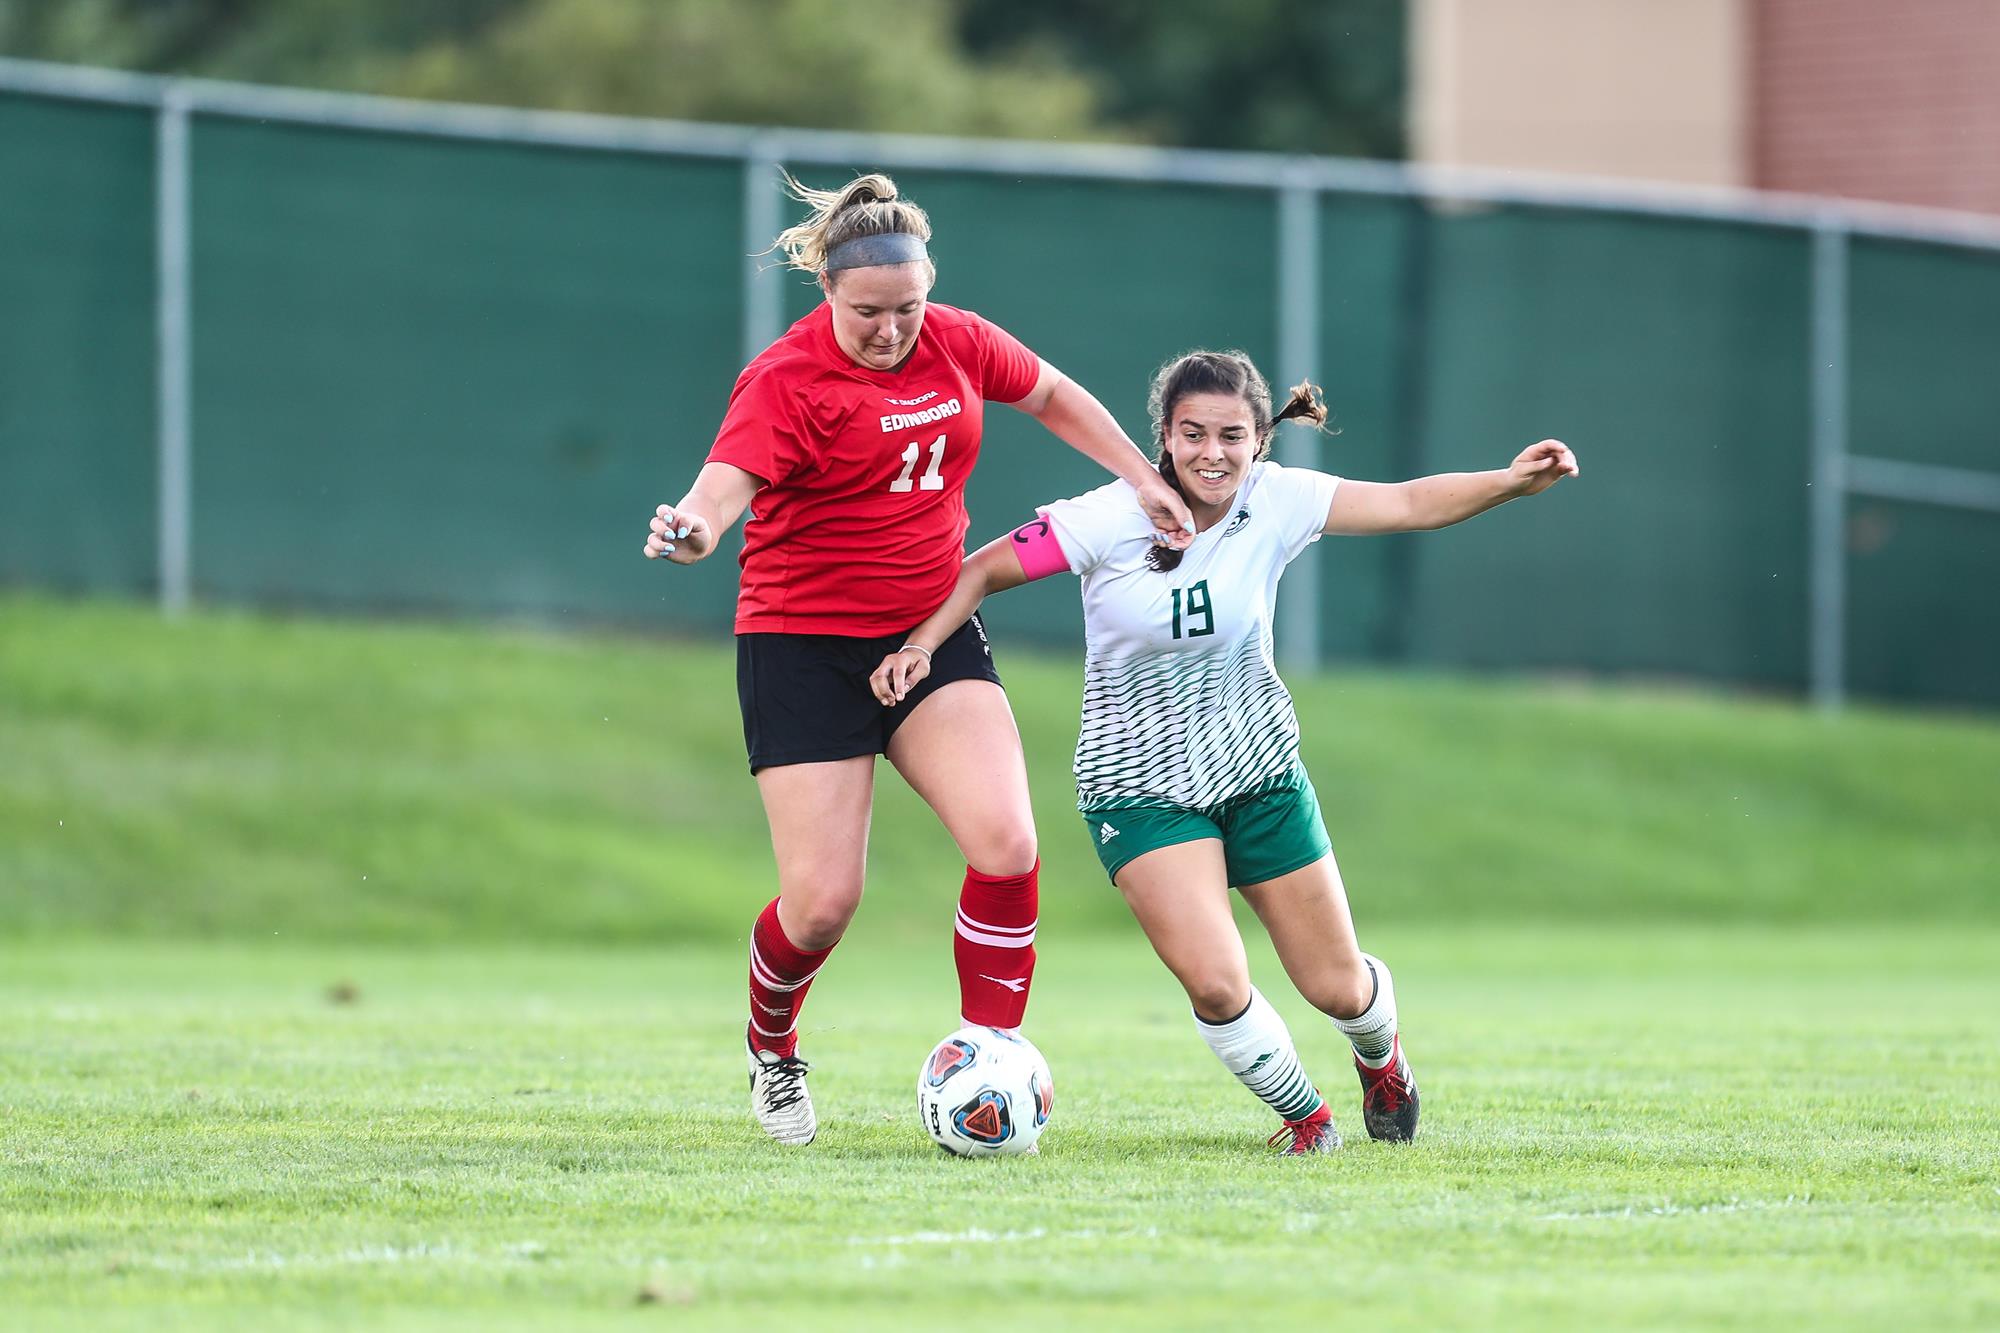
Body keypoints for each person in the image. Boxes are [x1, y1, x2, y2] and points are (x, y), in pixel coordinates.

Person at [870, 349, 1578, 1153]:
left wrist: (1510, 482)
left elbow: (1409, 502)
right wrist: (921, 644)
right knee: (1214, 980)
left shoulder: (1277, 500)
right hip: (1137, 790)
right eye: (1193, 434)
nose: (1212, 453)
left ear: (1259, 440)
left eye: (1232, 436)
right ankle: (1307, 1119)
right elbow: (982, 570)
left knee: (1337, 987)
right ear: (1165, 438)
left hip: (1258, 775)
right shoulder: (1107, 517)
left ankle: (1381, 1059)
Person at [641, 172, 1195, 1147]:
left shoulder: (956, 338)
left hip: (926, 632)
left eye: (908, 306)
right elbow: (721, 491)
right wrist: (691, 531)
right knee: (822, 905)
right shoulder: (785, 379)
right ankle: (772, 1048)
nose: (892, 329)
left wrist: (1140, 477)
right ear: (826, 289)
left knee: (1007, 843)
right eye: (868, 312)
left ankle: (991, 1052)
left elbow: (1050, 393)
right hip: (801, 645)